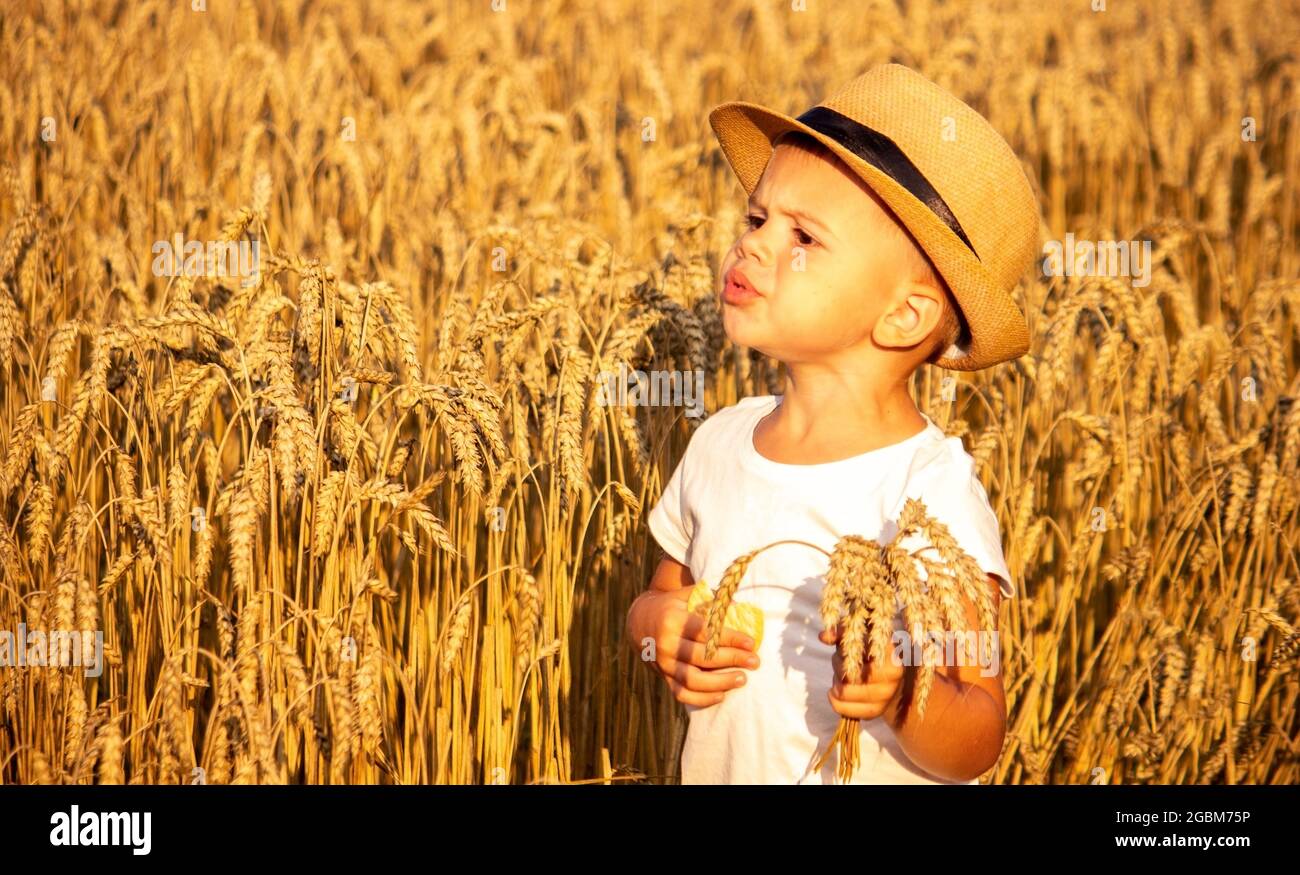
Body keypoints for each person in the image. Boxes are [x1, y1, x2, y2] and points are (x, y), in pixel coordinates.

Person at [625, 63, 1039, 784]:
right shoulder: (719, 441)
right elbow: (660, 594)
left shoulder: (927, 490)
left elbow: (981, 727)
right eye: (756, 219)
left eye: (804, 238)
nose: (751, 244)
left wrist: (905, 695)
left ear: (904, 314)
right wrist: (663, 632)